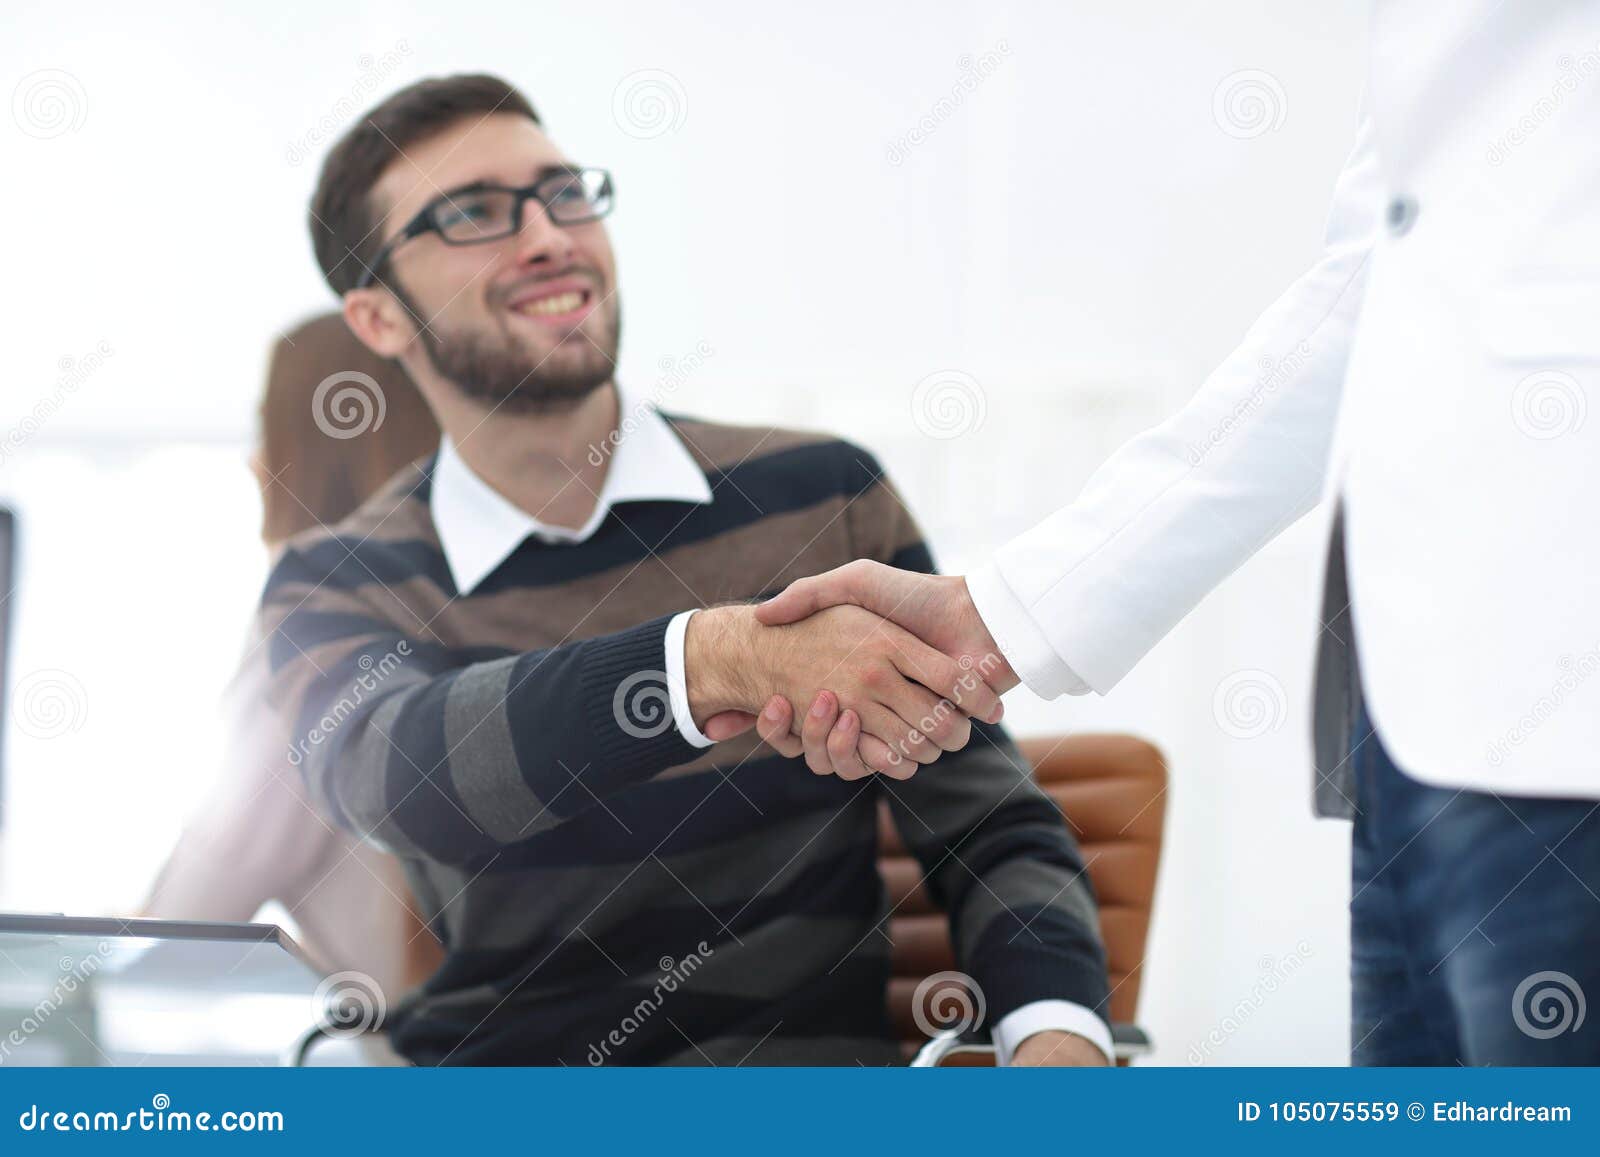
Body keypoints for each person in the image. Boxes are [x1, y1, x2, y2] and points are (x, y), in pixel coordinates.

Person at [753, 5, 1600, 1066]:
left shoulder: (812, 488)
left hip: (1557, 708)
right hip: (1416, 720)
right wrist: (1000, 612)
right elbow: (1362, 300)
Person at [258, 72, 1113, 1066]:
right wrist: (709, 662)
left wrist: (1057, 1036)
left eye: (563, 192)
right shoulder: (338, 578)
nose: (548, 235)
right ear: (379, 319)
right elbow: (397, 776)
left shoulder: (822, 495)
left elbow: (992, 824)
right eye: (474, 213)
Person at [142, 313, 445, 1015]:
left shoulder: (307, 635)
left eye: (266, 429)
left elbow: (186, 925)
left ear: (311, 454)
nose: (254, 459)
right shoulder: (480, 602)